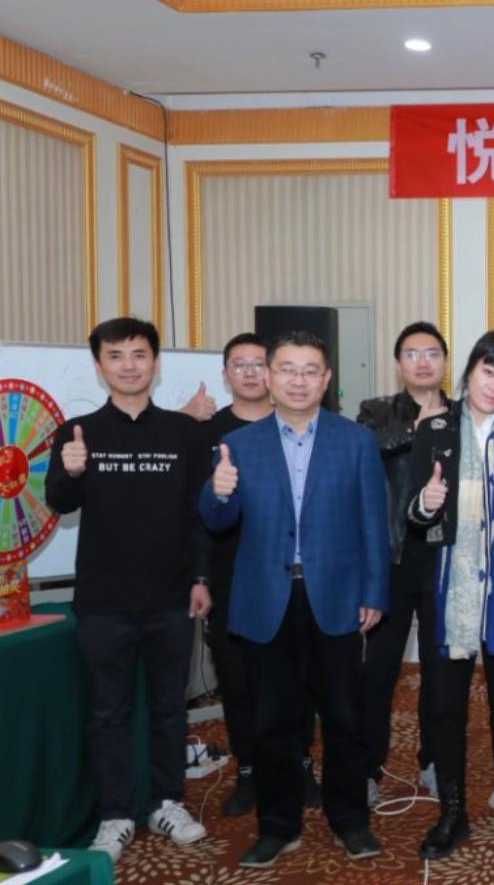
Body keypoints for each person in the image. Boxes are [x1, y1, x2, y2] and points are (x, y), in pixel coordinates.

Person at [201, 330, 389, 869]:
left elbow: (374, 523)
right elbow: (217, 520)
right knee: (272, 722)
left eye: (310, 370)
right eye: (287, 369)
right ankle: (278, 826)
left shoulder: (355, 440)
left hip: (337, 597)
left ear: (326, 379)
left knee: (345, 718)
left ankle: (350, 819)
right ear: (268, 376)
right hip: (267, 599)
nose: (298, 380)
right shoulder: (240, 443)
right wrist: (217, 490)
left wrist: (374, 590)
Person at [46, 317, 211, 863]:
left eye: (139, 354)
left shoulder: (185, 433)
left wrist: (201, 579)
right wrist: (70, 471)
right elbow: (60, 503)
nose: (129, 365)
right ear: (99, 366)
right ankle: (115, 814)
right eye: (115, 356)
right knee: (108, 713)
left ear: (155, 363)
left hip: (172, 598)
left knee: (169, 709)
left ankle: (167, 801)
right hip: (103, 601)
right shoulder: (77, 432)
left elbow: (198, 514)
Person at [403, 331, 494, 860]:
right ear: (469, 370)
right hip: (449, 591)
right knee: (445, 707)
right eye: (489, 373)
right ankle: (452, 813)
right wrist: (427, 502)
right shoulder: (434, 431)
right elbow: (414, 517)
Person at [197, 333, 321, 817]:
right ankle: (249, 769)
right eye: (239, 364)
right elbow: (199, 513)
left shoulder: (300, 426)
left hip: (296, 580)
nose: (249, 373)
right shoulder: (212, 434)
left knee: (302, 680)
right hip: (233, 580)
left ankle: (301, 764)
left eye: (257, 363)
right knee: (239, 682)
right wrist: (200, 578)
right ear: (226, 374)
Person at [356, 321, 450, 803]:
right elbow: (363, 454)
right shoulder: (375, 411)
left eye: (431, 353)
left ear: (445, 361)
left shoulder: (462, 413)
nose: (422, 362)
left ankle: (435, 760)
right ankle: (367, 767)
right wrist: (418, 429)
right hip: (391, 557)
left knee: (441, 670)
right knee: (378, 670)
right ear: (398, 364)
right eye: (412, 354)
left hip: (444, 558)